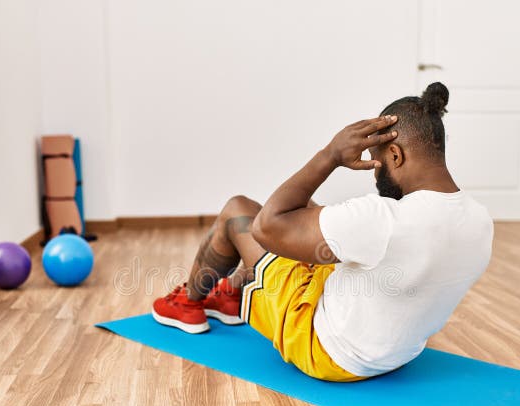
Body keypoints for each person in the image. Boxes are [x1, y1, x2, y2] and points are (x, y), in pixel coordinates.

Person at [152, 82, 494, 382]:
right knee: (311, 215)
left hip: (326, 351)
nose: (376, 175)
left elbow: (267, 227)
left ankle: (188, 305)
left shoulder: (384, 219)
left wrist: (330, 154)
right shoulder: (480, 222)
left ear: (395, 154)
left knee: (237, 211)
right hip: (398, 355)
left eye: (376, 163)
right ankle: (233, 296)